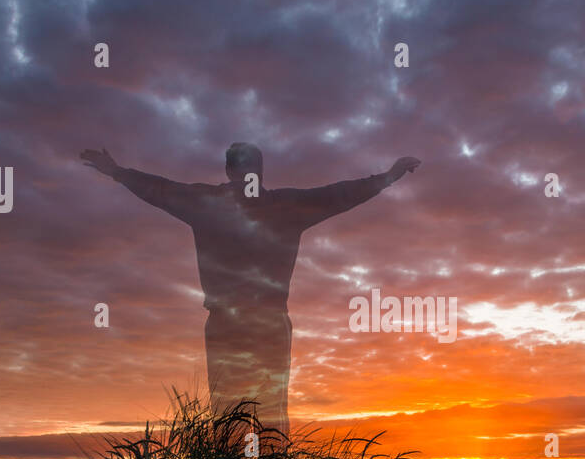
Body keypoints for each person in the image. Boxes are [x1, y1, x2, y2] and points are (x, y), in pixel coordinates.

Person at [81, 142, 420, 440]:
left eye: (253, 169)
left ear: (260, 171)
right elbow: (160, 189)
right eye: (242, 168)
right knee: (227, 405)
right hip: (227, 322)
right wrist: (117, 172)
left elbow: (339, 194)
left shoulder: (281, 205)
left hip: (268, 322)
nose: (247, 176)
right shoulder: (207, 202)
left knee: (269, 407)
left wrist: (389, 176)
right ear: (229, 171)